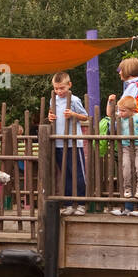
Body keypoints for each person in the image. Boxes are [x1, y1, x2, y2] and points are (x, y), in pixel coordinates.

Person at [46, 71, 88, 215]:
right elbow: (51, 115)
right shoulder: (53, 100)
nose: (59, 91)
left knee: (78, 174)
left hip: (73, 142)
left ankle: (81, 203)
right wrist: (50, 117)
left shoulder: (75, 100)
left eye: (62, 88)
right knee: (65, 174)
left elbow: (85, 117)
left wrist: (73, 115)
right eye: (56, 88)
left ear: (69, 85)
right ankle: (69, 204)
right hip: (58, 142)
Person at [109, 94, 138, 216]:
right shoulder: (120, 118)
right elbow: (110, 114)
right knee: (126, 169)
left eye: (123, 111)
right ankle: (127, 190)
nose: (120, 113)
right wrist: (110, 102)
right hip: (125, 147)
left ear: (133, 110)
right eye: (119, 110)